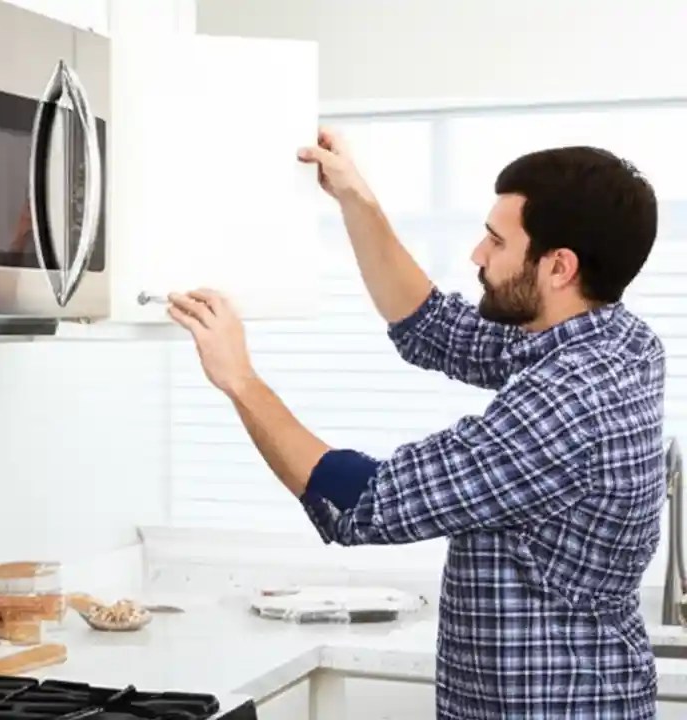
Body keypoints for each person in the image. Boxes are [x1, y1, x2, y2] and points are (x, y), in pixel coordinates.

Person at [168, 128, 665, 718]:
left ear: (558, 266)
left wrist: (239, 379)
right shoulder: (617, 341)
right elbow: (436, 327)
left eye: (495, 241)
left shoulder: (567, 403)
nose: (477, 256)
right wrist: (357, 200)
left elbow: (363, 502)